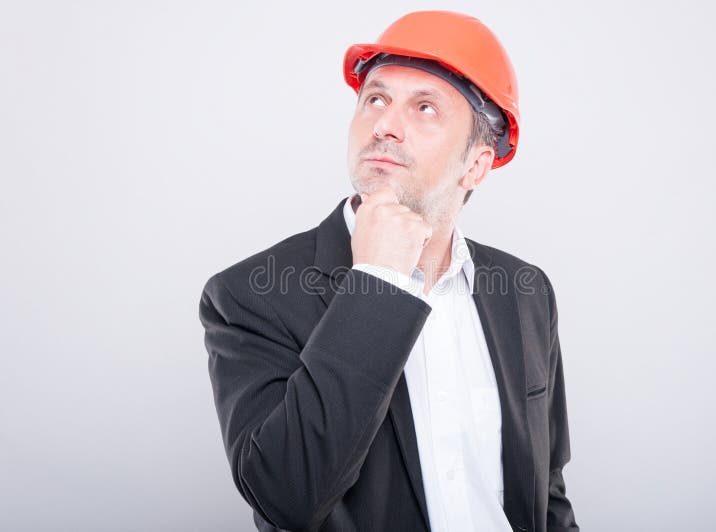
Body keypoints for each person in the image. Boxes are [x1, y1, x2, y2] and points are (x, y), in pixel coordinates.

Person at [199, 10, 579, 532]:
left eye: (425, 107)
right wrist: (376, 283)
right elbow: (286, 495)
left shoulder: (526, 292)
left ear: (477, 165)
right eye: (375, 99)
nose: (385, 124)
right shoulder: (249, 295)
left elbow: (549, 489)